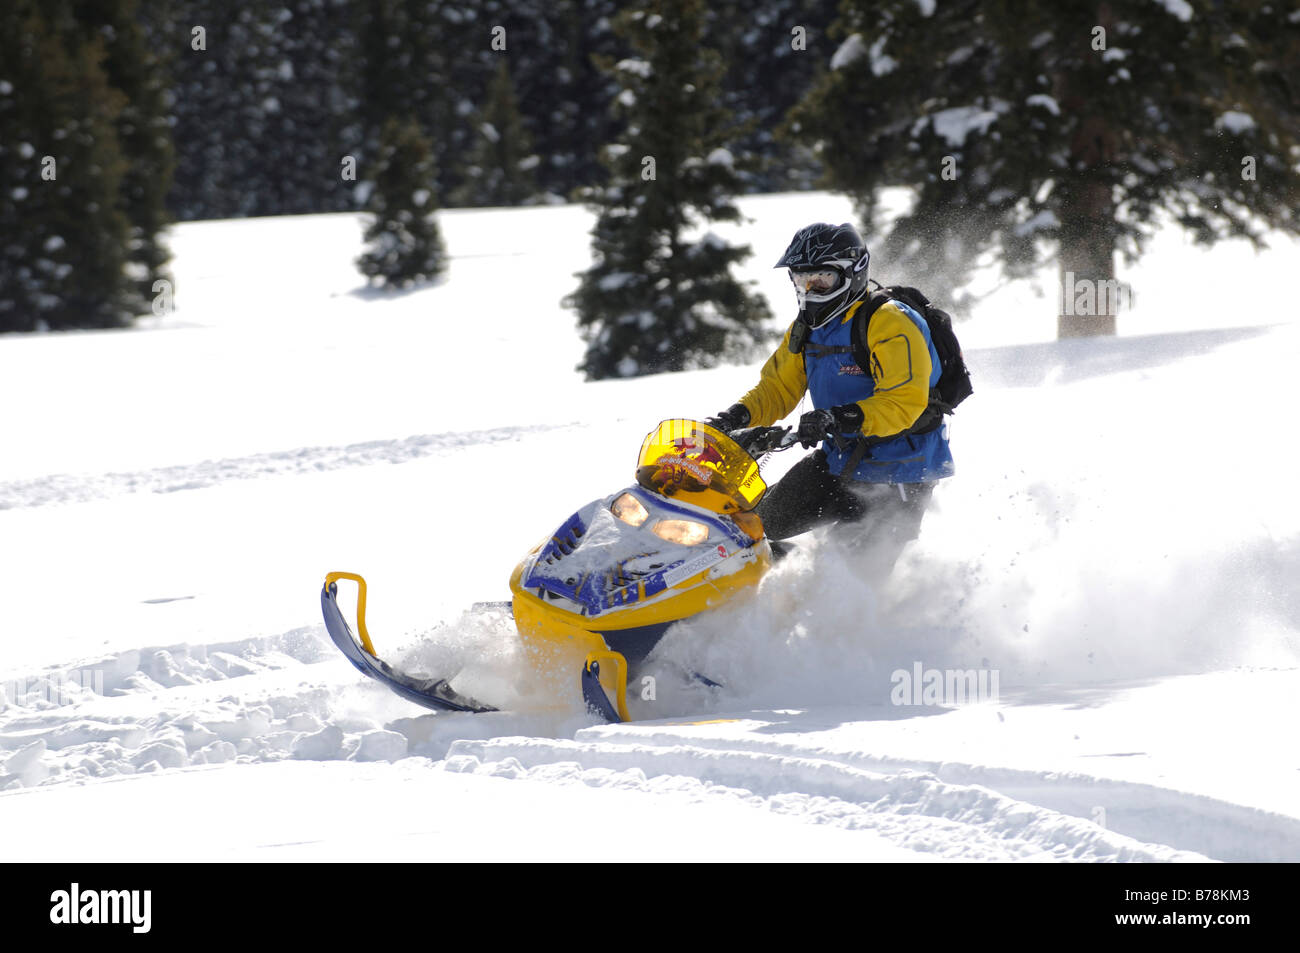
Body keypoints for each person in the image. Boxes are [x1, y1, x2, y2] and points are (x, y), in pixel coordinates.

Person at [705, 222, 954, 571]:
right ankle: (772, 581)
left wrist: (838, 417)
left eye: (822, 279)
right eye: (801, 279)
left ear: (852, 273)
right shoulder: (808, 327)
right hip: (838, 459)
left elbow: (903, 401)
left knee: (844, 575)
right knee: (754, 528)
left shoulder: (890, 322)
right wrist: (736, 417)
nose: (810, 289)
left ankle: (845, 600)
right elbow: (778, 388)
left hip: (900, 472)